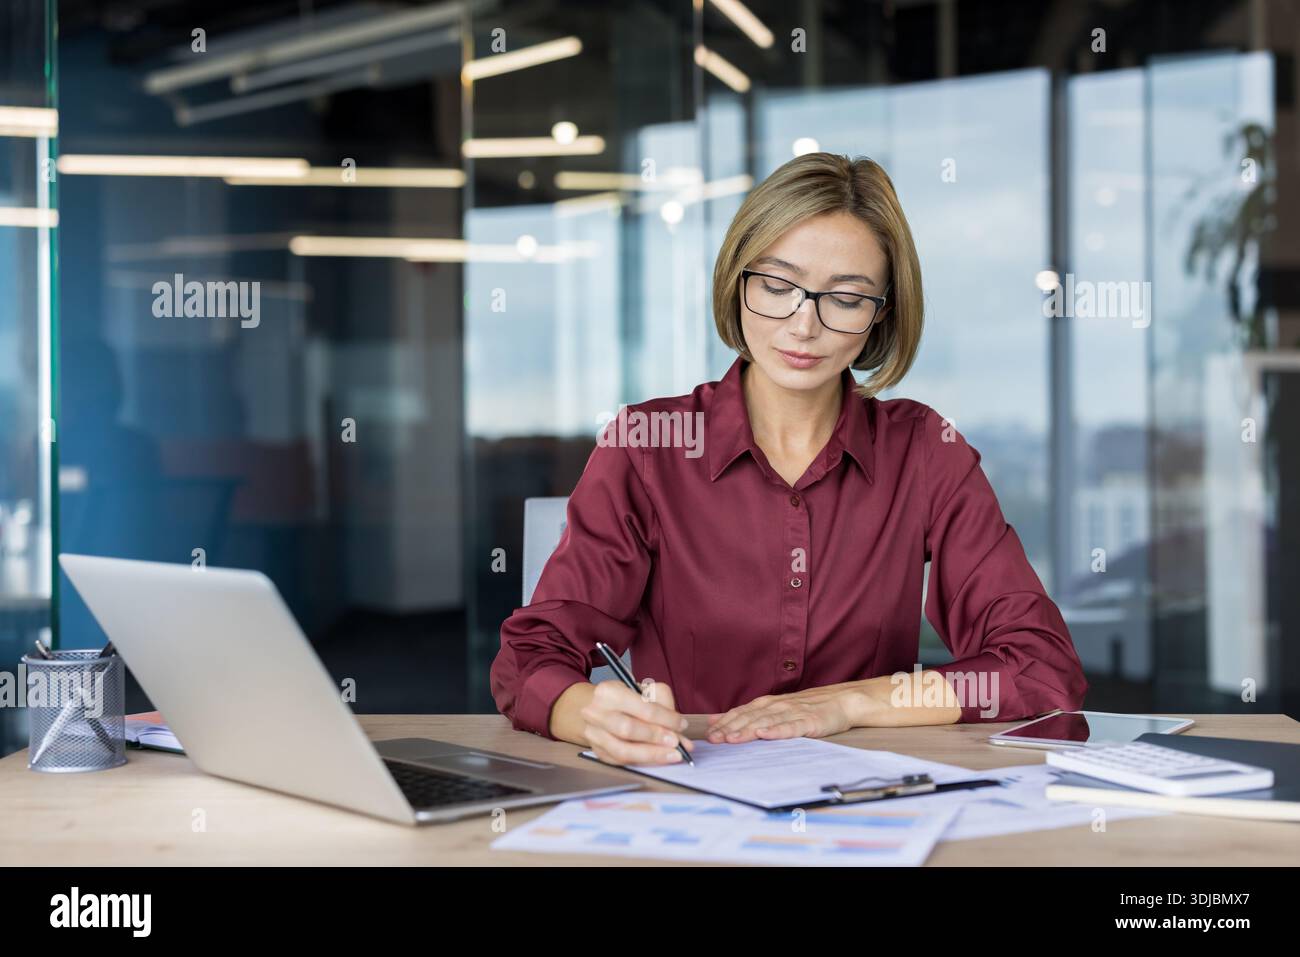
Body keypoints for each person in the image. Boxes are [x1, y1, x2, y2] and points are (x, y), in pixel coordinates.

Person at [491, 152, 1087, 766]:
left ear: (881, 315)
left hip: (866, 805)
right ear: (737, 281)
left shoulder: (925, 452)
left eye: (847, 299)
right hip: (686, 795)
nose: (804, 325)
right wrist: (592, 717)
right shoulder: (649, 443)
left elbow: (1039, 666)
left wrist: (847, 703)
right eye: (777, 287)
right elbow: (530, 660)